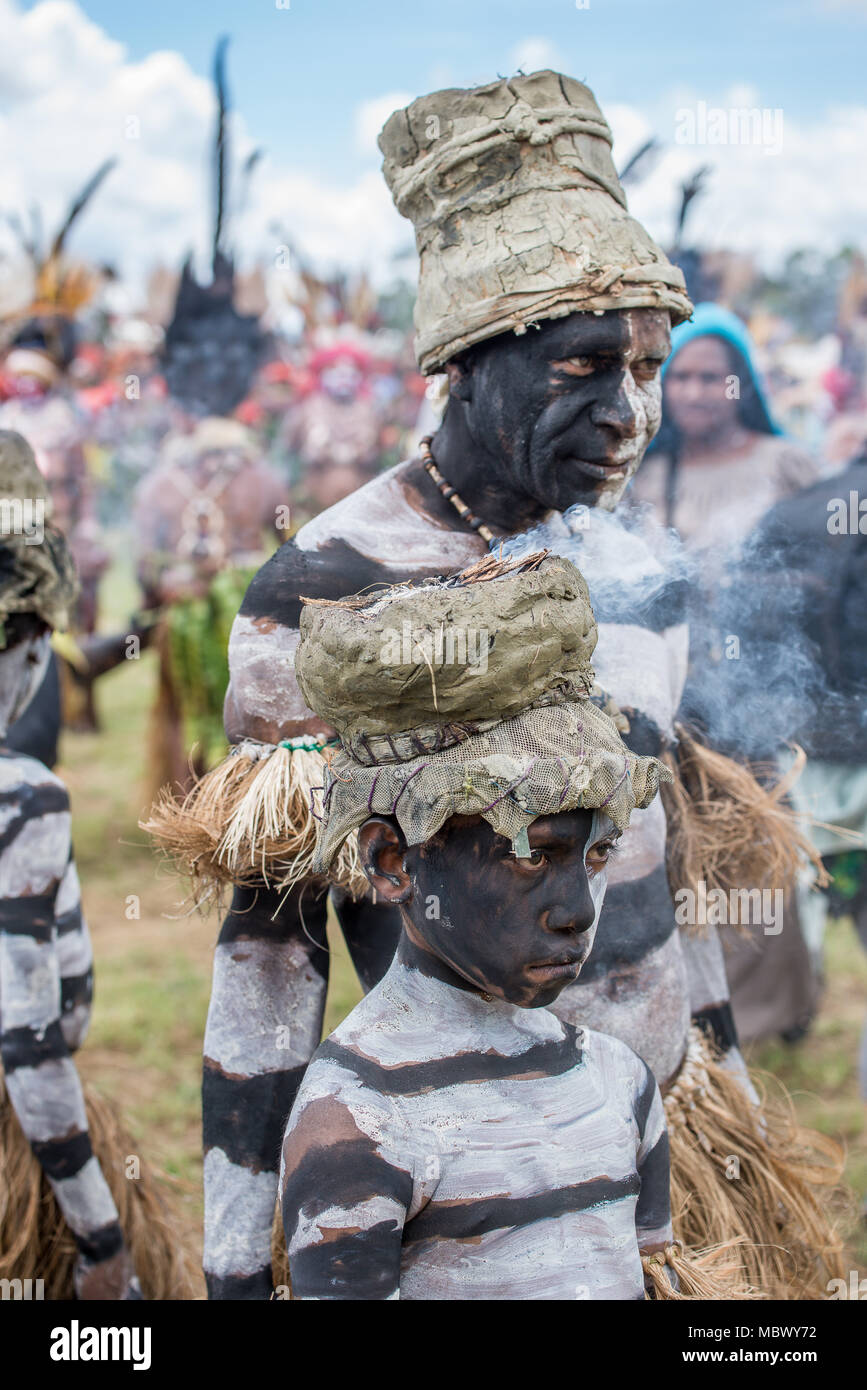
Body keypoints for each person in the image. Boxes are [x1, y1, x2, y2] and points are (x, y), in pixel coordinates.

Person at [147, 71, 840, 1299]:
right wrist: (233, 1267)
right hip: (462, 1174)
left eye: (647, 368)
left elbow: (666, 875)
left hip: (658, 1151)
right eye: (586, 368)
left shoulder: (641, 575)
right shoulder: (325, 589)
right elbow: (271, 954)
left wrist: (724, 1085)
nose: (630, 415)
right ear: (466, 360)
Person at [280, 554, 741, 1300]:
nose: (579, 912)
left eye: (595, 855)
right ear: (393, 860)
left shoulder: (617, 1083)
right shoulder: (358, 1124)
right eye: (533, 858)